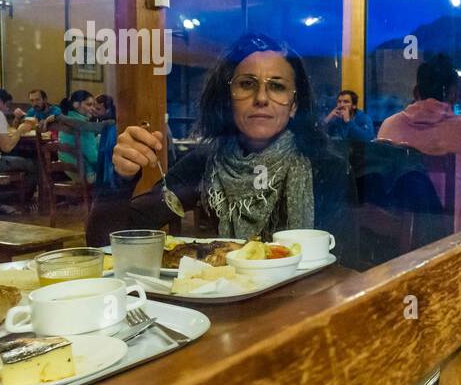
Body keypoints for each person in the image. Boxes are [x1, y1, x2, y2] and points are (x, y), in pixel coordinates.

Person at [92, 32, 358, 265]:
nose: (261, 98)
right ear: (227, 99)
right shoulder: (206, 162)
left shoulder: (326, 166)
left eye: (277, 86)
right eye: (247, 84)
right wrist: (120, 178)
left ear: (295, 105)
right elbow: (106, 240)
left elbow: (344, 266)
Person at [376, 55, 461, 231]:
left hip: (393, 243)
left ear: (416, 92)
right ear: (453, 93)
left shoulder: (389, 126)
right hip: (447, 243)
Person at [57, 90, 105, 183]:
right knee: (125, 173)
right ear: (75, 104)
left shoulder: (67, 119)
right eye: (89, 105)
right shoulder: (82, 126)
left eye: (94, 105)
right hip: (86, 175)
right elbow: (94, 159)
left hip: (71, 172)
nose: (93, 109)